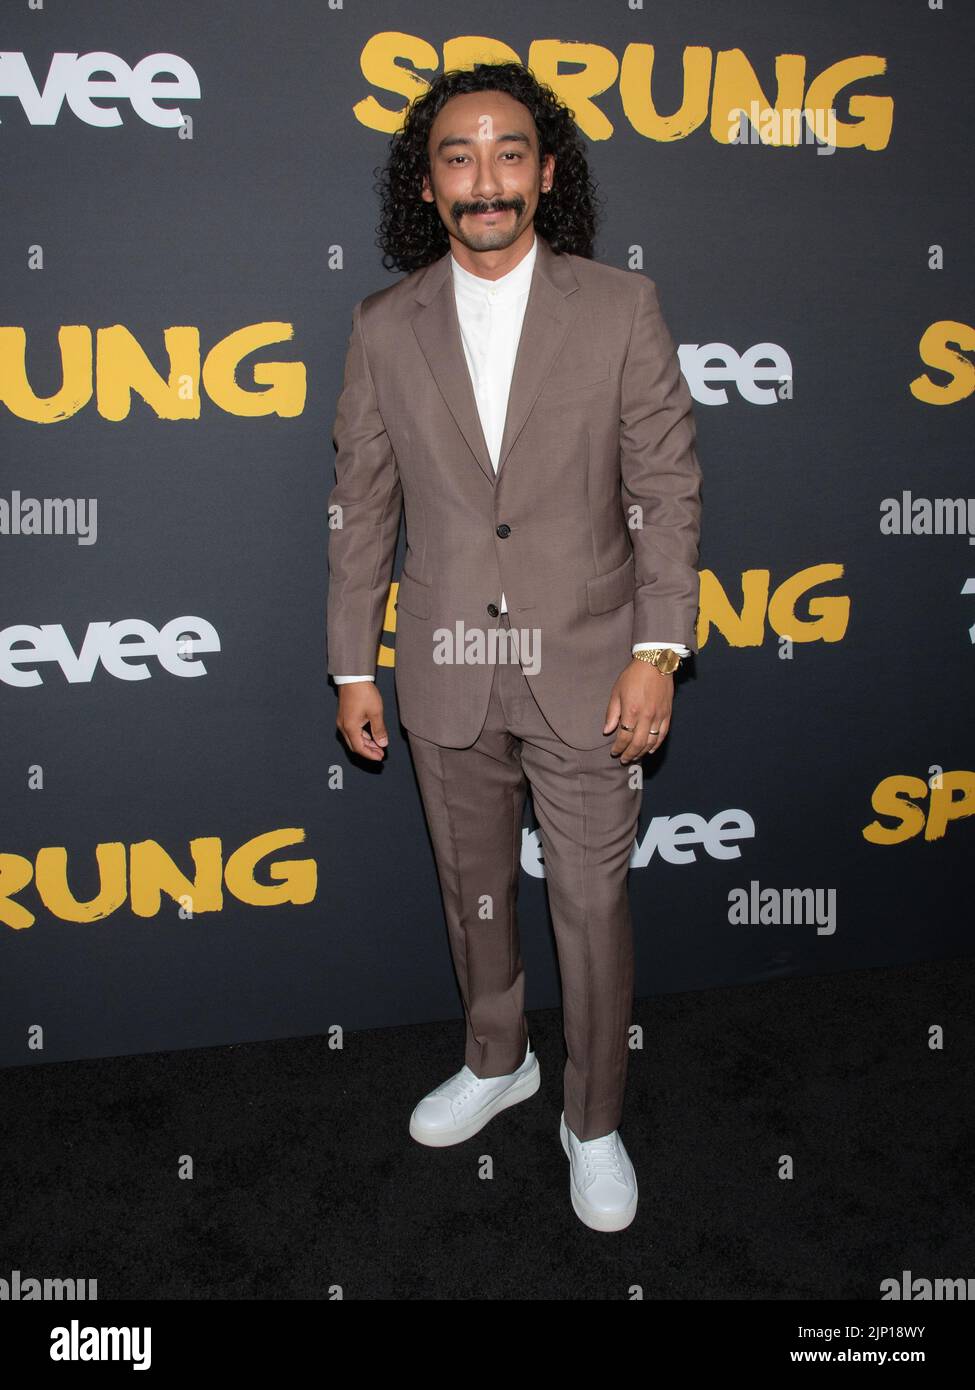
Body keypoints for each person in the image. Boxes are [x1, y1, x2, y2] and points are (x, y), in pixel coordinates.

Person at [326, 61, 702, 1232]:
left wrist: (661, 648)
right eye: (457, 156)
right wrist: (352, 663)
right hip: (443, 667)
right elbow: (360, 505)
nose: (484, 178)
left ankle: (592, 1118)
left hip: (592, 667)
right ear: (427, 185)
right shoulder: (384, 327)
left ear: (545, 170)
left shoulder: (621, 305)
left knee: (590, 909)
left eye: (506, 152)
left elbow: (668, 485)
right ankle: (501, 1062)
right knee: (473, 893)